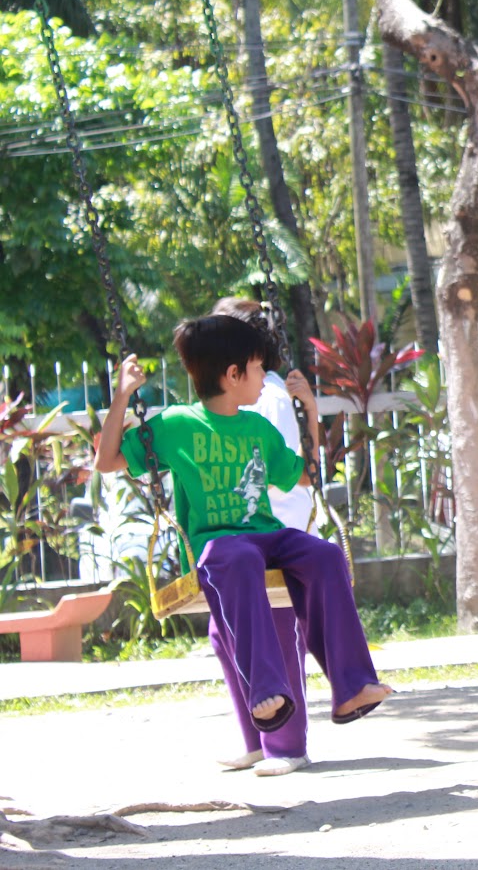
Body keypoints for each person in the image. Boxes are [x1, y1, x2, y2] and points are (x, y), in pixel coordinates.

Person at [94, 316, 391, 740]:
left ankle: (352, 685)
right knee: (240, 557)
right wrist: (122, 396)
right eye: (256, 368)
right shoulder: (177, 425)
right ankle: (266, 690)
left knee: (325, 554)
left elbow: (304, 474)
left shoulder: (258, 428)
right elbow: (107, 462)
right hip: (219, 545)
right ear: (233, 375)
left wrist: (308, 410)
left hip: (268, 535)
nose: (263, 377)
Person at [207, 298, 315, 776]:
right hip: (245, 531)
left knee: (274, 631)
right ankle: (258, 736)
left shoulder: (266, 398)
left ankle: (287, 744)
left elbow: (291, 473)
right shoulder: (242, 398)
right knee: (222, 631)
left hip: (276, 529)